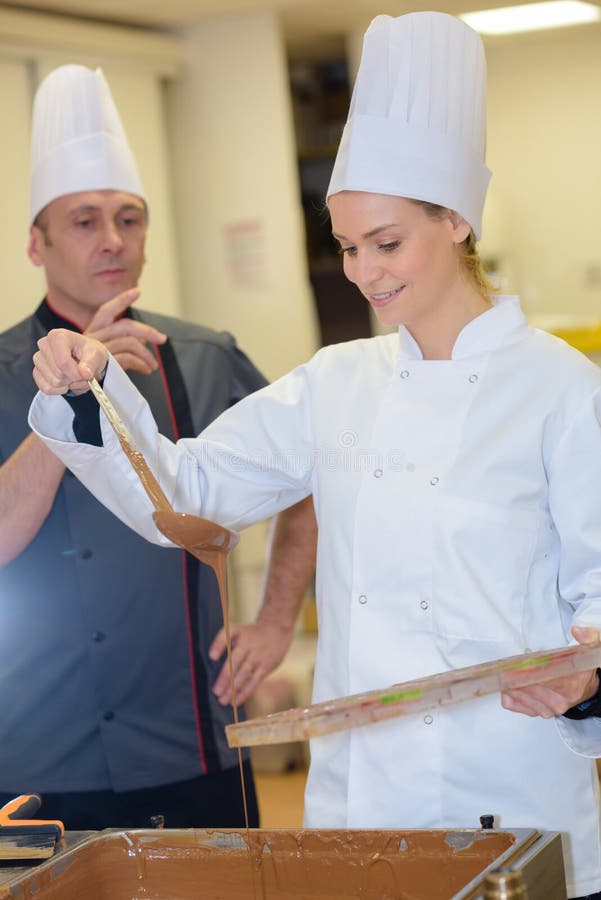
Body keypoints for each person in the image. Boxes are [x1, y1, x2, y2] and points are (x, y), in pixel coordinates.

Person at [28, 13, 601, 898]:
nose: (364, 273)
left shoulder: (562, 390)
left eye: (386, 243)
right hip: (360, 804)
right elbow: (189, 492)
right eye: (345, 247)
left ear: (454, 219)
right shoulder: (336, 382)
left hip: (511, 792)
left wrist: (588, 685)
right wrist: (89, 389)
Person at [0, 64, 316, 831]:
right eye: (83, 220)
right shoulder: (6, 371)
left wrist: (276, 620)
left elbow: (306, 486)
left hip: (196, 733)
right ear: (36, 244)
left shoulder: (208, 356)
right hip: (44, 745)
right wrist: (68, 390)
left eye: (130, 217)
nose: (113, 240)